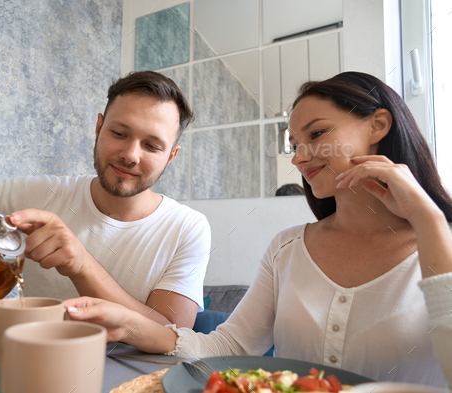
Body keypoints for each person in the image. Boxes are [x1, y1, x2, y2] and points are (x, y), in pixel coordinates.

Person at [62, 72, 452, 388]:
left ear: (378, 125)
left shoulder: (440, 240)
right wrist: (126, 323)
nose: (299, 157)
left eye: (317, 135)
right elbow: (226, 346)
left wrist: (428, 219)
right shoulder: (287, 248)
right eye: (294, 143)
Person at [0, 71, 211, 328]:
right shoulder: (31, 195)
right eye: (119, 134)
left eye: (152, 145)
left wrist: (82, 266)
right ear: (98, 128)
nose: (131, 155)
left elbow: (174, 334)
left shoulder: (187, 228)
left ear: (172, 155)